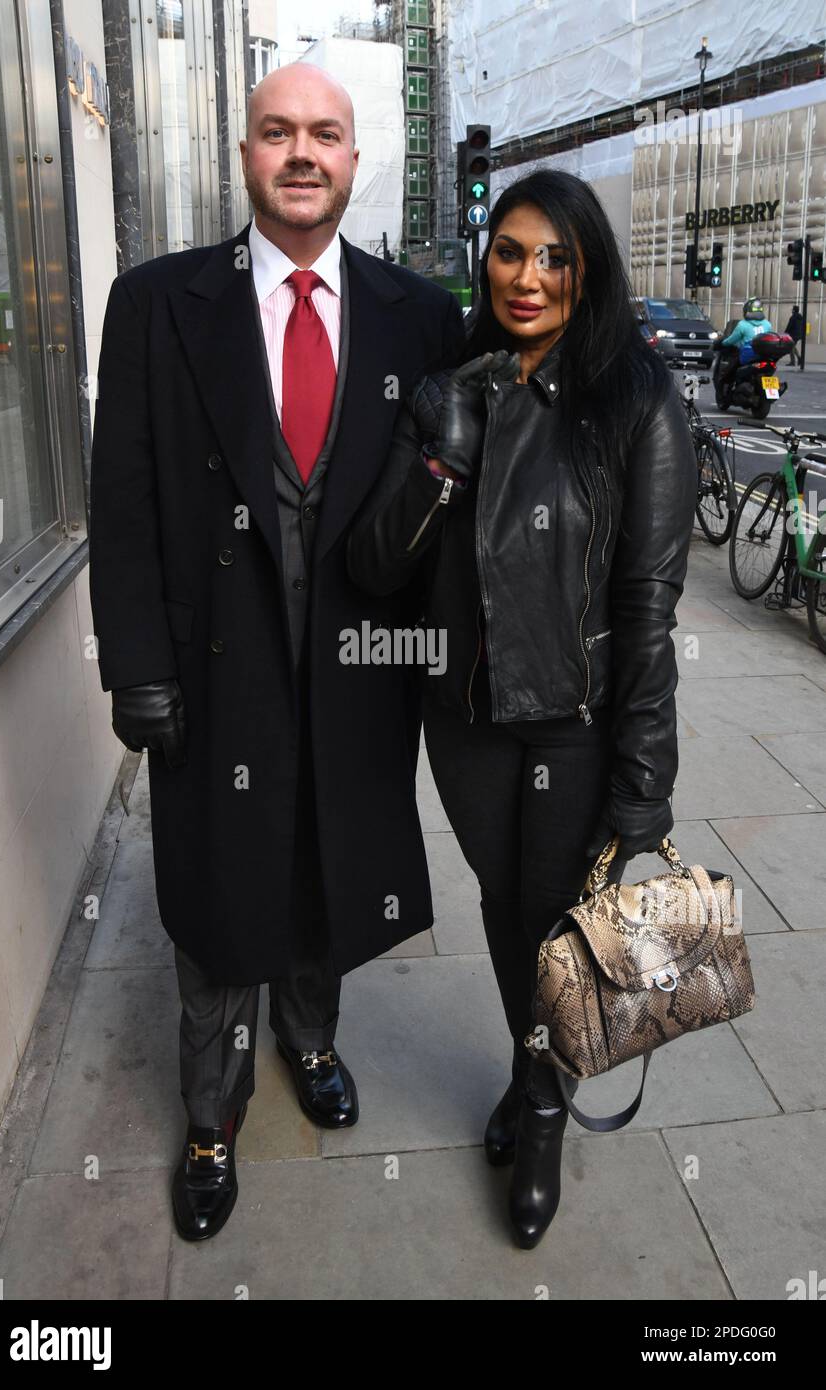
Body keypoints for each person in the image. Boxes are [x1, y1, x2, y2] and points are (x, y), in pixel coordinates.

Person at [89, 61, 465, 1241]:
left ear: (356, 161)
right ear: (242, 155)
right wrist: (136, 664)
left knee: (324, 872)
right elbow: (123, 501)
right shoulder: (156, 304)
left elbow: (445, 508)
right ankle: (210, 1117)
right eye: (276, 133)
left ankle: (309, 1040)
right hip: (214, 673)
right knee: (214, 904)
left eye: (325, 135)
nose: (301, 154)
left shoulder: (419, 315)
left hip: (357, 677)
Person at [347, 169, 697, 1249]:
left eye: (553, 256)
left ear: (584, 266)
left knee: (551, 916)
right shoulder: (453, 381)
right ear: (482, 258)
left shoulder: (634, 398)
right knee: (506, 908)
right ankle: (528, 1063)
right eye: (509, 250)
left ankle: (540, 1107)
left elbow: (646, 604)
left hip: (572, 719)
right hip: (460, 714)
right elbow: (370, 567)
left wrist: (645, 778)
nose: (528, 276)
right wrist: (439, 456)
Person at [719, 296, 773, 378]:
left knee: (730, 371)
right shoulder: (767, 324)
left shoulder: (742, 325)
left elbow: (731, 340)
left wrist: (723, 343)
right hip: (765, 357)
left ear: (746, 310)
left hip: (748, 357)